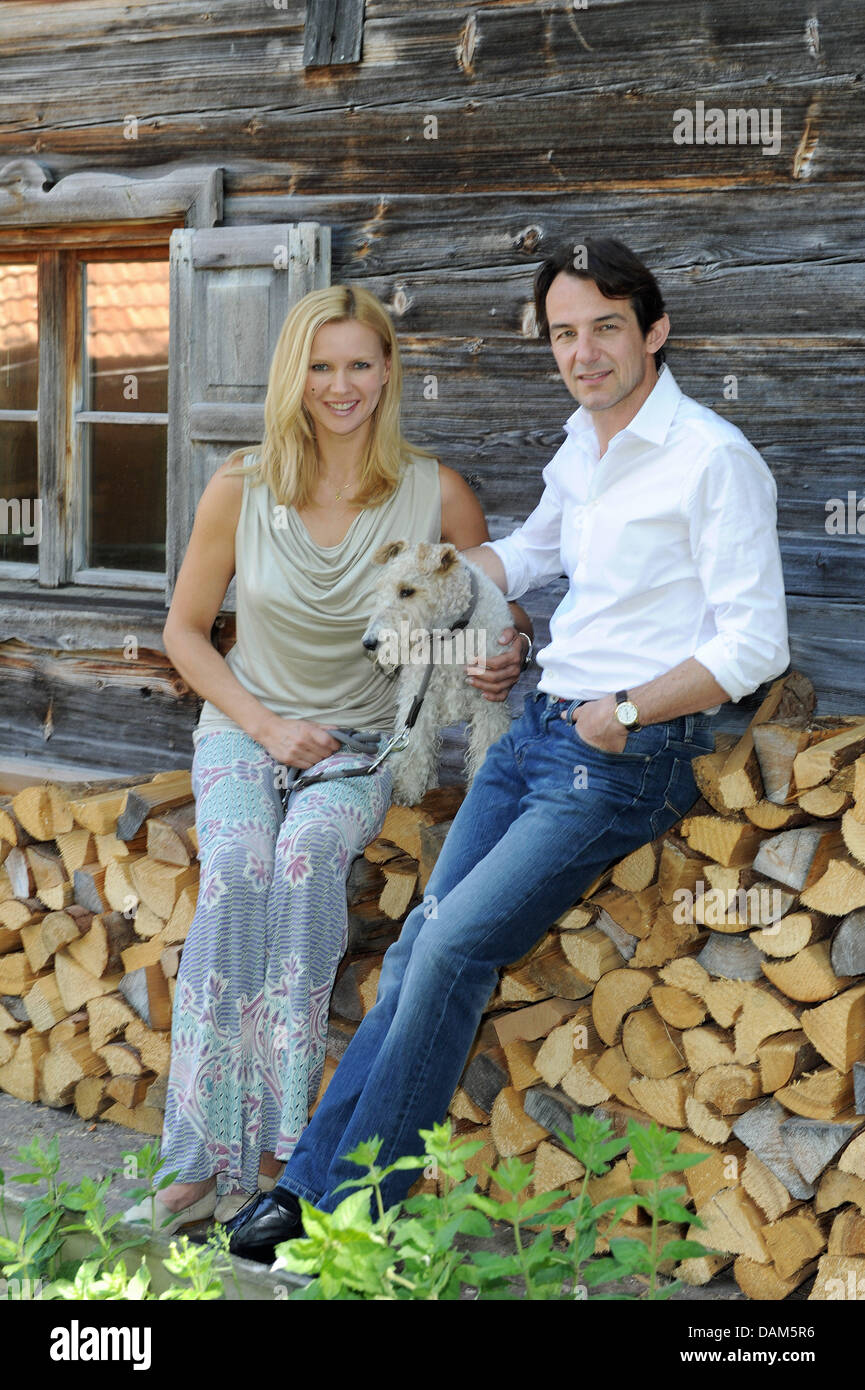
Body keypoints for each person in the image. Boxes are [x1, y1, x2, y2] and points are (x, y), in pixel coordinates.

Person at [229, 235, 790, 1262]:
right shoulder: (585, 442)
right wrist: (441, 585)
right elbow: (533, 550)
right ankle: (304, 1192)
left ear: (654, 332)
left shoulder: (711, 459)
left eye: (605, 329)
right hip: (537, 733)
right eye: (564, 334)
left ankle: (355, 1224)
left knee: (453, 949)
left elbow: (755, 644)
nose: (583, 353)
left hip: (622, 755)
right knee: (415, 947)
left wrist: (625, 709)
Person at [125, 284, 531, 1232]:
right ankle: (194, 1160)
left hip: (362, 744)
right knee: (235, 868)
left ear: (387, 372)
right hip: (242, 727)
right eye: (319, 366)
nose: (339, 386)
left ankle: (279, 1155)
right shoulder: (240, 486)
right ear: (292, 376)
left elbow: (492, 611)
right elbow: (184, 633)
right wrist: (266, 728)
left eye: (358, 364)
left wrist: (504, 650)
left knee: (306, 864)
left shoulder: (436, 491)